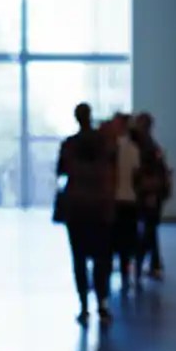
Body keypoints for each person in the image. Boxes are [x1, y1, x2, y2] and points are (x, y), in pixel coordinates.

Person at [56, 103, 116, 324]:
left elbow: (61, 171)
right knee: (102, 258)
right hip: (100, 206)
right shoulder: (105, 144)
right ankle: (102, 303)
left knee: (79, 258)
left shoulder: (69, 145)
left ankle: (83, 305)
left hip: (77, 207)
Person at [133, 113, 171, 282]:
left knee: (148, 229)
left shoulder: (145, 147)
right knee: (151, 229)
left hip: (148, 193)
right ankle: (154, 263)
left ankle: (144, 262)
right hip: (152, 193)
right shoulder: (152, 147)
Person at [110, 113, 142, 294]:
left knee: (111, 240)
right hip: (129, 200)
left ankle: (109, 276)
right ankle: (126, 275)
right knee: (127, 241)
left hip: (113, 201)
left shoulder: (110, 148)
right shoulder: (133, 149)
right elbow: (136, 176)